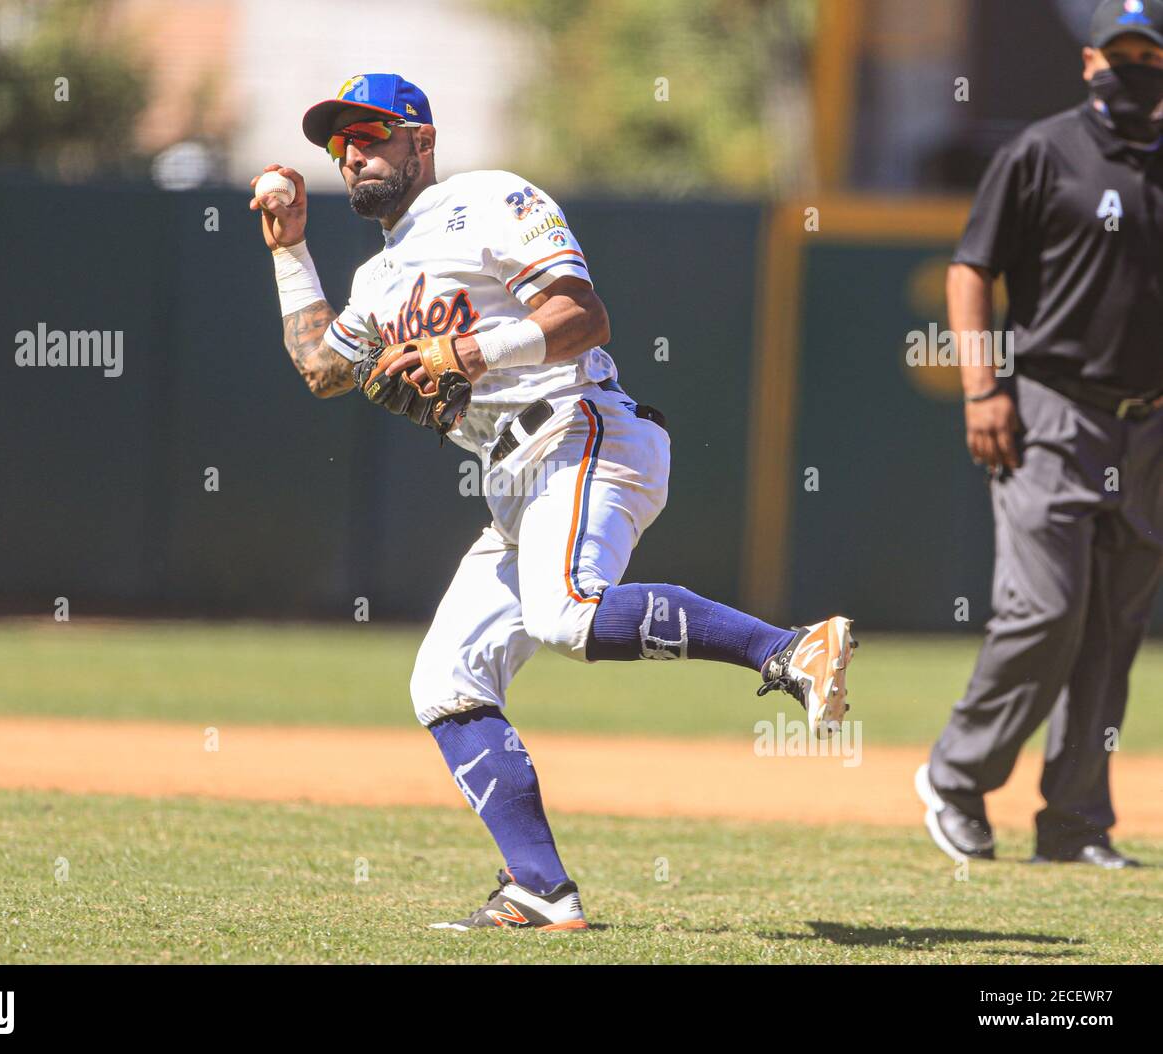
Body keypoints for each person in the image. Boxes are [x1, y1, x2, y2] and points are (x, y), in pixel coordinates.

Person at [253, 73, 856, 929]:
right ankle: (540, 888)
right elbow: (321, 370)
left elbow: (584, 316)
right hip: (515, 485)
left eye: (373, 133)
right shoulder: (378, 281)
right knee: (446, 681)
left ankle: (791, 650)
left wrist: (464, 351)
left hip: (582, 429)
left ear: (422, 140)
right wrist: (287, 249)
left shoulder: (490, 199)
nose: (354, 152)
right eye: (339, 141)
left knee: (565, 615)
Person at [917, 0, 1163, 870]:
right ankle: (956, 775)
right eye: (1120, 52)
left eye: (1150, 52)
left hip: (1146, 427)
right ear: (1090, 61)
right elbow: (971, 267)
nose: (1134, 66)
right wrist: (982, 386)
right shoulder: (1043, 151)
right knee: (1048, 610)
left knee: (1111, 629)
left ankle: (1075, 822)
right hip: (1052, 408)